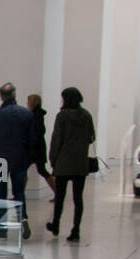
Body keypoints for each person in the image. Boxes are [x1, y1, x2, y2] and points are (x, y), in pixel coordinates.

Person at [0, 82, 36, 239]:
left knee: (1, 193)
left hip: (1, 161)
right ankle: (23, 219)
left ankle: (2, 228)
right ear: (15, 94)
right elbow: (33, 140)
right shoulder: (27, 114)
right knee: (19, 191)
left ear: (1, 96)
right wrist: (27, 157)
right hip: (19, 160)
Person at [46, 86, 94, 242]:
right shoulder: (86, 115)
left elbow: (56, 140)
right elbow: (91, 137)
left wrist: (53, 159)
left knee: (60, 197)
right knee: (78, 199)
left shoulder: (62, 116)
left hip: (63, 163)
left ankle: (56, 224)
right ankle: (76, 230)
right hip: (80, 163)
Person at [26, 93, 55, 195]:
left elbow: (36, 132)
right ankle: (58, 193)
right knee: (42, 170)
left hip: (35, 148)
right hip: (39, 147)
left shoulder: (34, 116)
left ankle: (19, 195)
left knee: (23, 170)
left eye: (28, 101)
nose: (27, 103)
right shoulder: (39, 115)